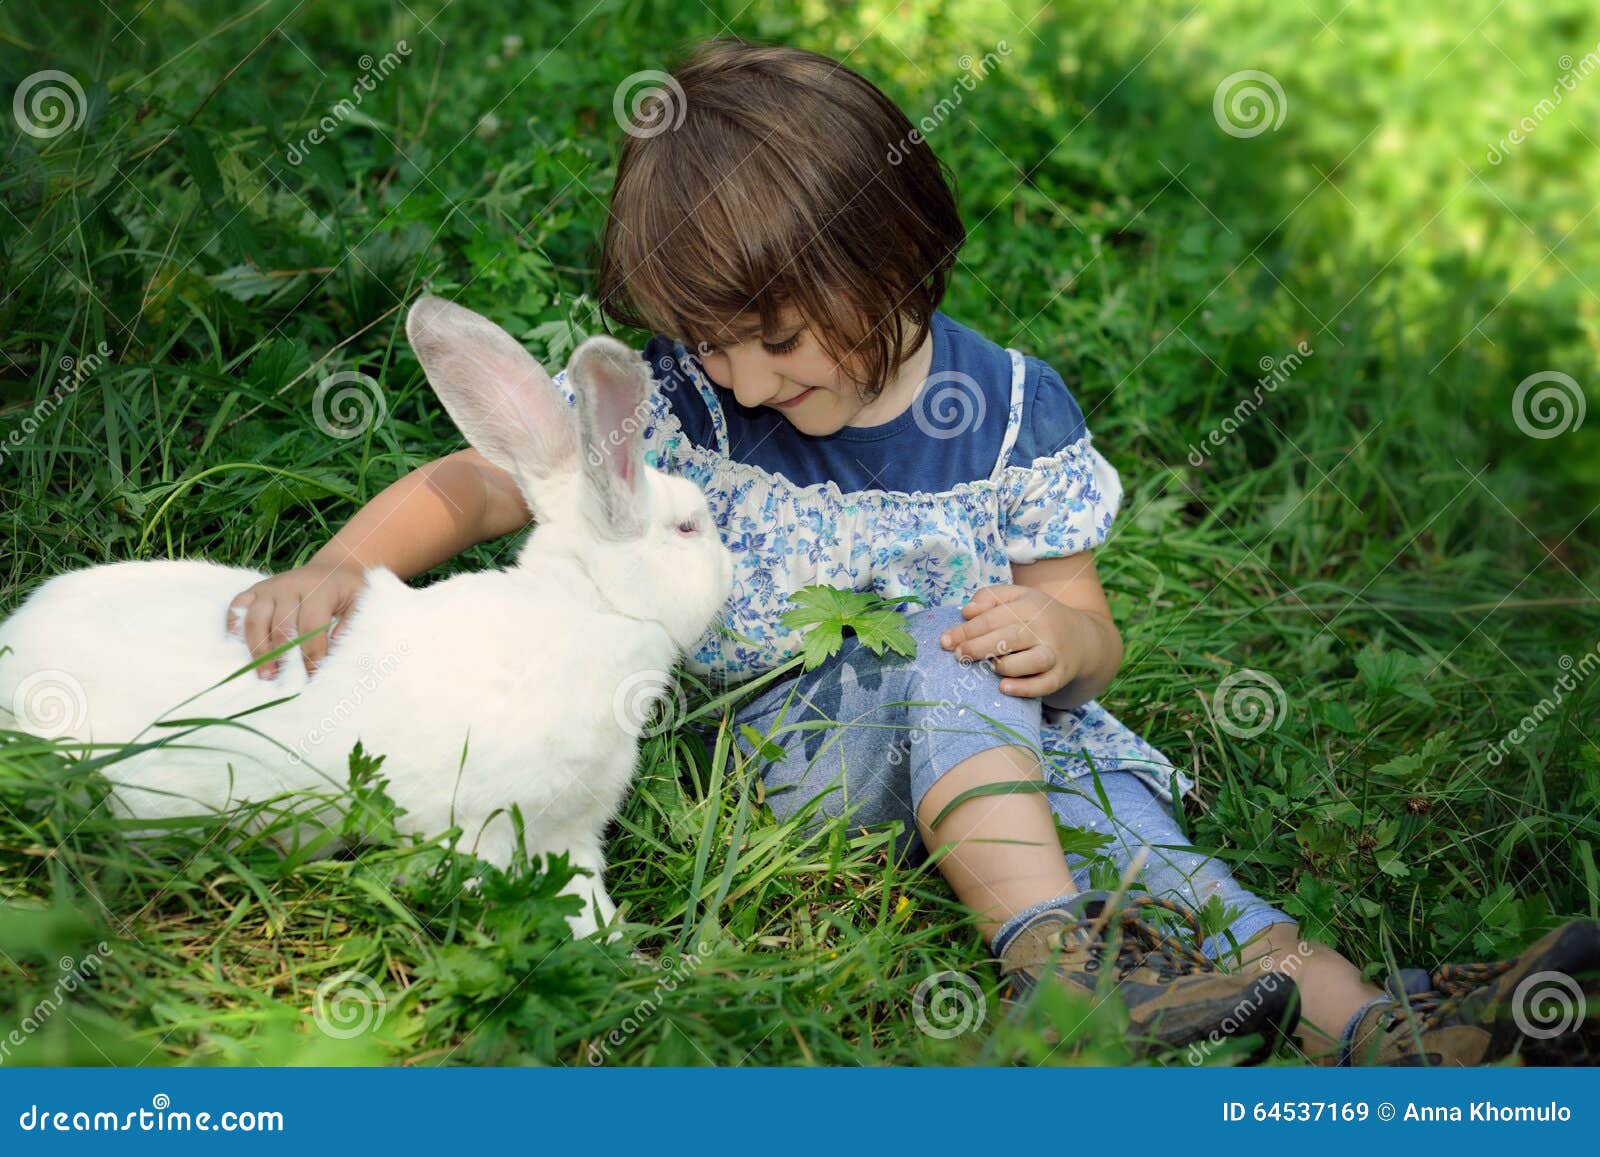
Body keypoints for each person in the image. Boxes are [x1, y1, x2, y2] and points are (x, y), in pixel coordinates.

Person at [228, 38, 1599, 1065]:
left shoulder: (1007, 410)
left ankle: (1397, 1044)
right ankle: (1061, 968)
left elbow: (1087, 625)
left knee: (1183, 874)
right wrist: (346, 564)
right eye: (711, 341)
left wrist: (1061, 641)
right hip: (820, 755)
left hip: (1025, 749)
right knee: (953, 625)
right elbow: (479, 483)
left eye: (777, 336)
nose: (747, 378)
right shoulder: (684, 414)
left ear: (896, 255)